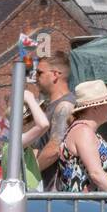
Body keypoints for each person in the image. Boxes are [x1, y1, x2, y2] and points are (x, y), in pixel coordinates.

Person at [57, 80, 107, 199]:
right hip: (87, 208)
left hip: (88, 207)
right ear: (96, 107)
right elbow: (96, 173)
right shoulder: (83, 131)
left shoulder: (82, 130)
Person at [34, 50, 76, 189]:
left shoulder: (65, 106)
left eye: (40, 73)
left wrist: (26, 173)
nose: (35, 77)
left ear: (55, 74)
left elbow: (54, 149)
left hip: (56, 193)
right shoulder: (49, 106)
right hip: (46, 189)